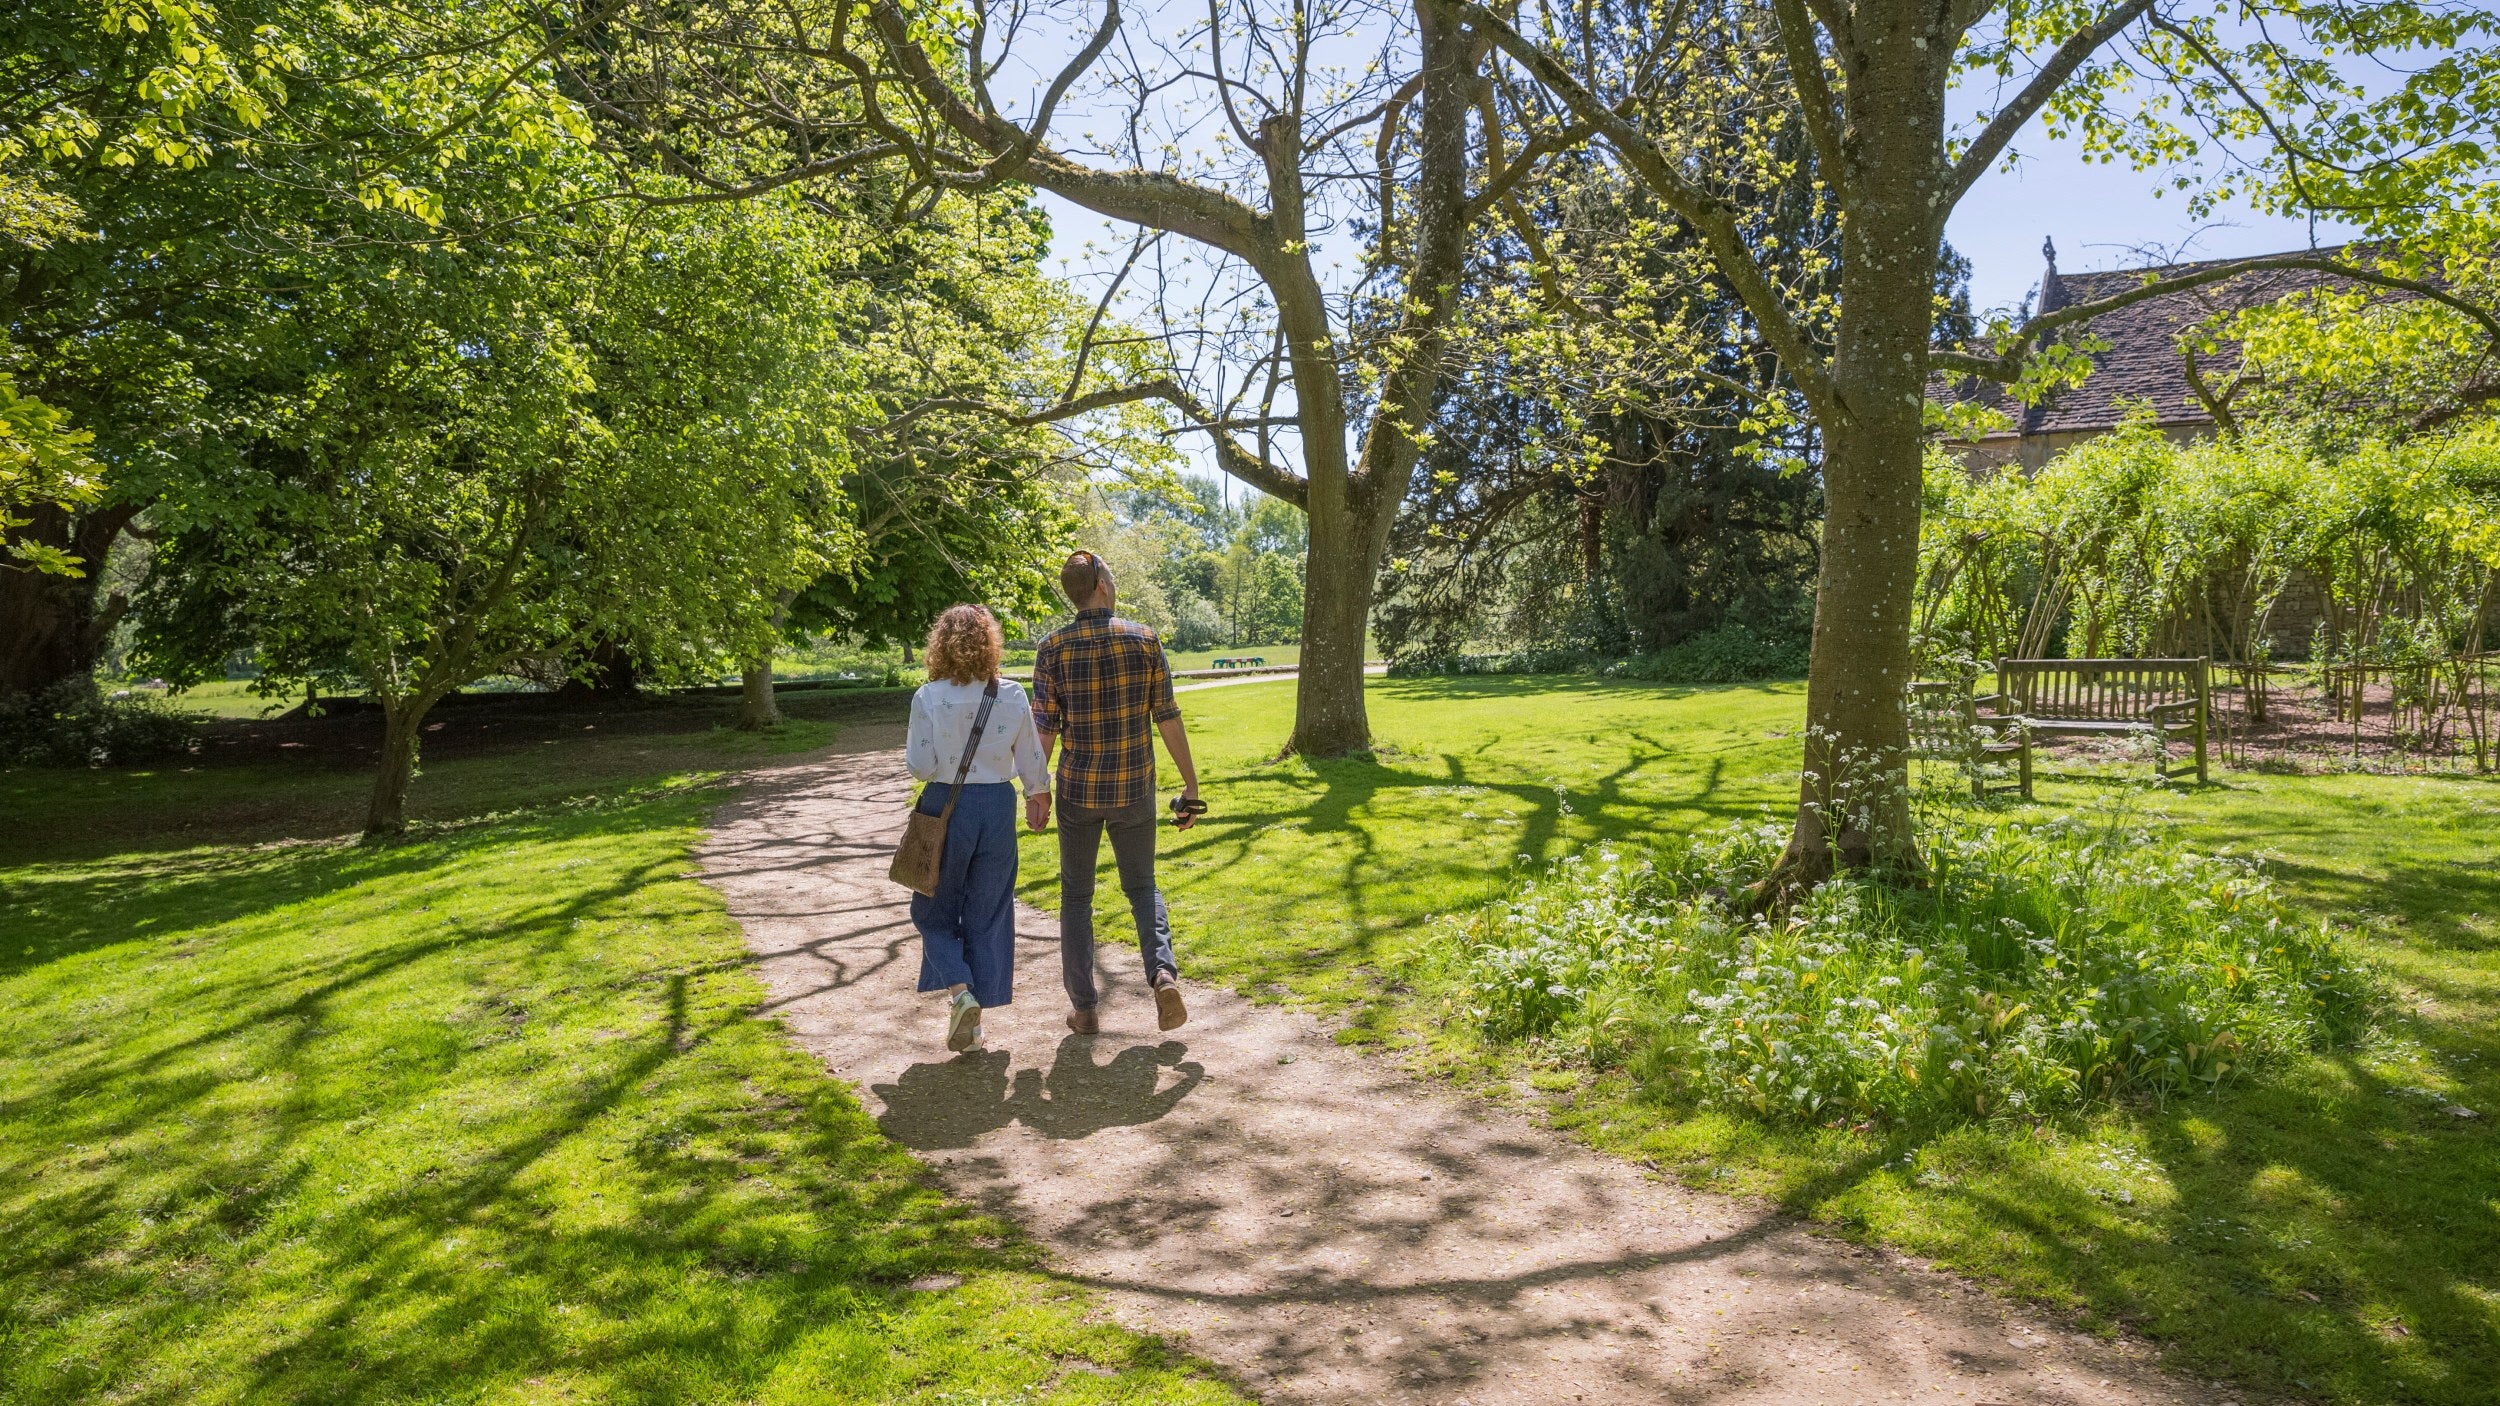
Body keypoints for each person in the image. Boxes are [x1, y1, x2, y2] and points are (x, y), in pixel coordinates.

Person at [1030, 549, 1203, 1036]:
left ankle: (1084, 1009)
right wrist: (1189, 784)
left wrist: (1036, 790)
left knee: (1076, 897)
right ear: (1102, 583)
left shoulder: (1052, 648)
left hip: (1078, 794)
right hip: (1133, 790)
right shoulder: (1145, 640)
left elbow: (1044, 729)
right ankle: (1163, 975)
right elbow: (1167, 716)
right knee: (1142, 887)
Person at [904, 604, 1050, 1053]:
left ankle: (960, 993)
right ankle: (974, 1028)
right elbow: (1029, 754)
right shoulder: (1010, 693)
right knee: (987, 913)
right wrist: (1037, 794)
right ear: (991, 643)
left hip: (946, 806)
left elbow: (921, 766)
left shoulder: (928, 697)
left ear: (939, 646)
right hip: (997, 806)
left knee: (932, 910)